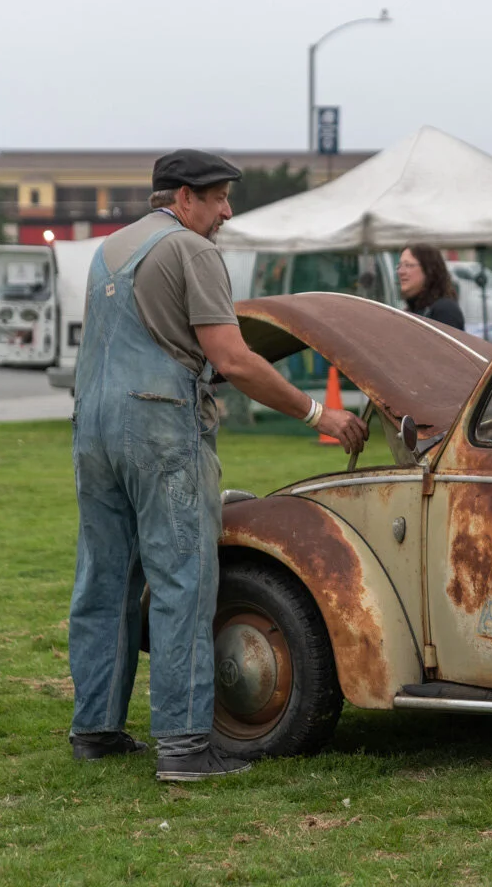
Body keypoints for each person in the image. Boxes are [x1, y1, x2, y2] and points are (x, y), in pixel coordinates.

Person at [68, 150, 368, 782]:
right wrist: (321, 414)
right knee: (184, 580)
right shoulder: (192, 251)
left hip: (91, 429)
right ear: (183, 198)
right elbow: (230, 358)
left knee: (104, 583)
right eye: (219, 198)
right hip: (157, 427)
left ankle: (95, 729)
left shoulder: (107, 251)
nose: (227, 211)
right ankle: (184, 746)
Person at [397, 245, 465, 330]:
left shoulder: (445, 310)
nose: (401, 271)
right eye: (399, 265)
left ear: (428, 269)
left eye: (408, 265)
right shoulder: (410, 311)